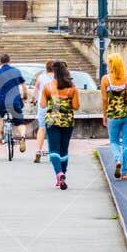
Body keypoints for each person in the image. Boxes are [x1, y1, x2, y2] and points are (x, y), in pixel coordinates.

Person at [44, 60, 80, 189]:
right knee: (64, 150)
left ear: (54, 72)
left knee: (54, 150)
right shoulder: (72, 88)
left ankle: (58, 173)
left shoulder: (48, 87)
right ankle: (63, 175)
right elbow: (76, 106)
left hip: (52, 121)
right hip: (67, 121)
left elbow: (42, 104)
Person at [0, 52, 28, 152]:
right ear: (10, 61)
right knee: (20, 122)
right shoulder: (16, 71)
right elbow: (24, 88)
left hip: (2, 100)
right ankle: (22, 137)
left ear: (0, 62)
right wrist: (24, 97)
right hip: (15, 100)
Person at [31, 60, 55, 163]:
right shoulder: (58, 78)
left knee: (41, 128)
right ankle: (52, 152)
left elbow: (35, 91)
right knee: (53, 129)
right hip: (55, 106)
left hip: (42, 105)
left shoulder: (40, 77)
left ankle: (38, 151)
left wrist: (33, 100)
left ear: (46, 68)